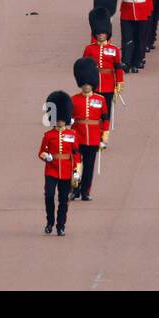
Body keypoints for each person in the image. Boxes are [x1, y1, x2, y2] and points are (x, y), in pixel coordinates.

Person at [40, 91, 81, 235]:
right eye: (57, 119)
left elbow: (76, 154)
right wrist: (47, 156)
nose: (59, 121)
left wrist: (76, 171)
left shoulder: (72, 135)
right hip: (51, 170)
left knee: (63, 200)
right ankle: (50, 221)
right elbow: (41, 152)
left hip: (66, 170)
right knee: (49, 196)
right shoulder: (48, 135)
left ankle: (60, 225)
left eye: (61, 119)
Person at [70, 58, 109, 202]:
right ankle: (75, 190)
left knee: (89, 167)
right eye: (84, 84)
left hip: (92, 137)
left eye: (88, 84)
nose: (86, 87)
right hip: (77, 136)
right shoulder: (74, 99)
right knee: (76, 164)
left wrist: (104, 138)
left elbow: (105, 119)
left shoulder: (100, 100)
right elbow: (69, 118)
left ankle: (86, 191)